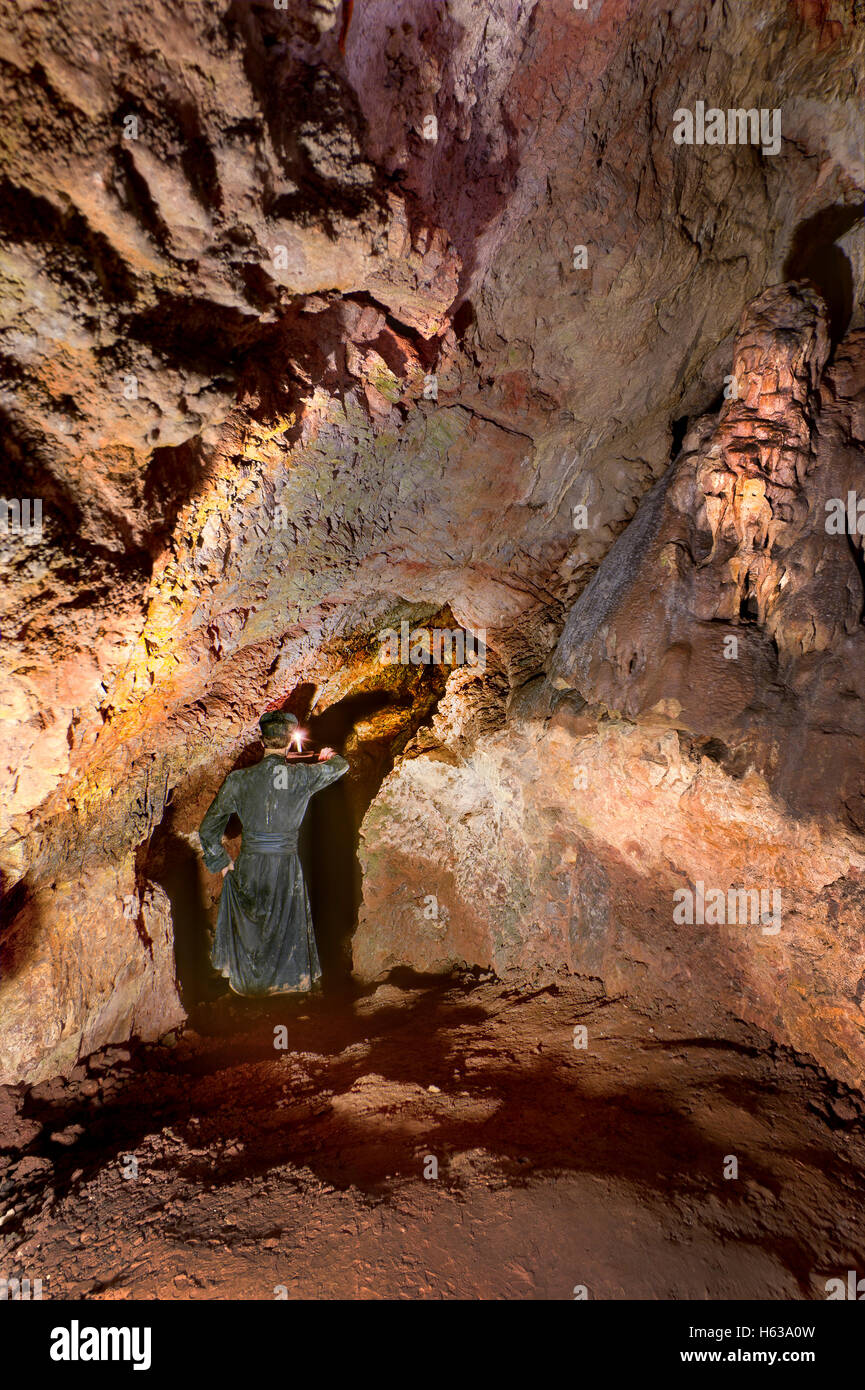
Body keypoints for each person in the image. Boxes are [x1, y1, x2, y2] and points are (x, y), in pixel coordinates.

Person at [198, 710, 349, 997]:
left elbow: (208, 828)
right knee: (285, 923)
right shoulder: (303, 776)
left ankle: (252, 987)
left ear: (262, 740)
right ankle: (286, 986)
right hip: (286, 863)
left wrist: (221, 862)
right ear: (289, 743)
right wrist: (327, 755)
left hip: (251, 861)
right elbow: (340, 766)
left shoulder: (239, 780)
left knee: (254, 922)